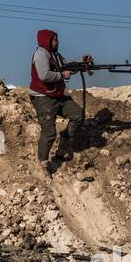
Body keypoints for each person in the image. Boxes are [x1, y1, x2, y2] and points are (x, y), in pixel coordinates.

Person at [29, 29, 91, 173]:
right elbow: (44, 75)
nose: (58, 42)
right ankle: (43, 164)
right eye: (55, 40)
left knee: (77, 115)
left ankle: (64, 143)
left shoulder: (55, 55)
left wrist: (82, 64)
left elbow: (66, 67)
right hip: (43, 97)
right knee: (49, 132)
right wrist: (62, 75)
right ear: (48, 41)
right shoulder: (41, 54)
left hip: (56, 95)